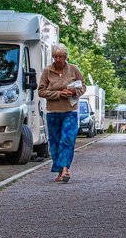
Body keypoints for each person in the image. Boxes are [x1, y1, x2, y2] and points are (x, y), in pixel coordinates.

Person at [37, 44, 86, 182]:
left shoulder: (74, 69)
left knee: (67, 139)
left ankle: (65, 169)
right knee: (55, 142)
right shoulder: (47, 71)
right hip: (53, 112)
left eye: (61, 56)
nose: (58, 59)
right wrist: (59, 94)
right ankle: (60, 171)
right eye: (55, 56)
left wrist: (74, 92)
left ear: (66, 57)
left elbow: (83, 86)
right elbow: (41, 91)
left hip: (70, 111)